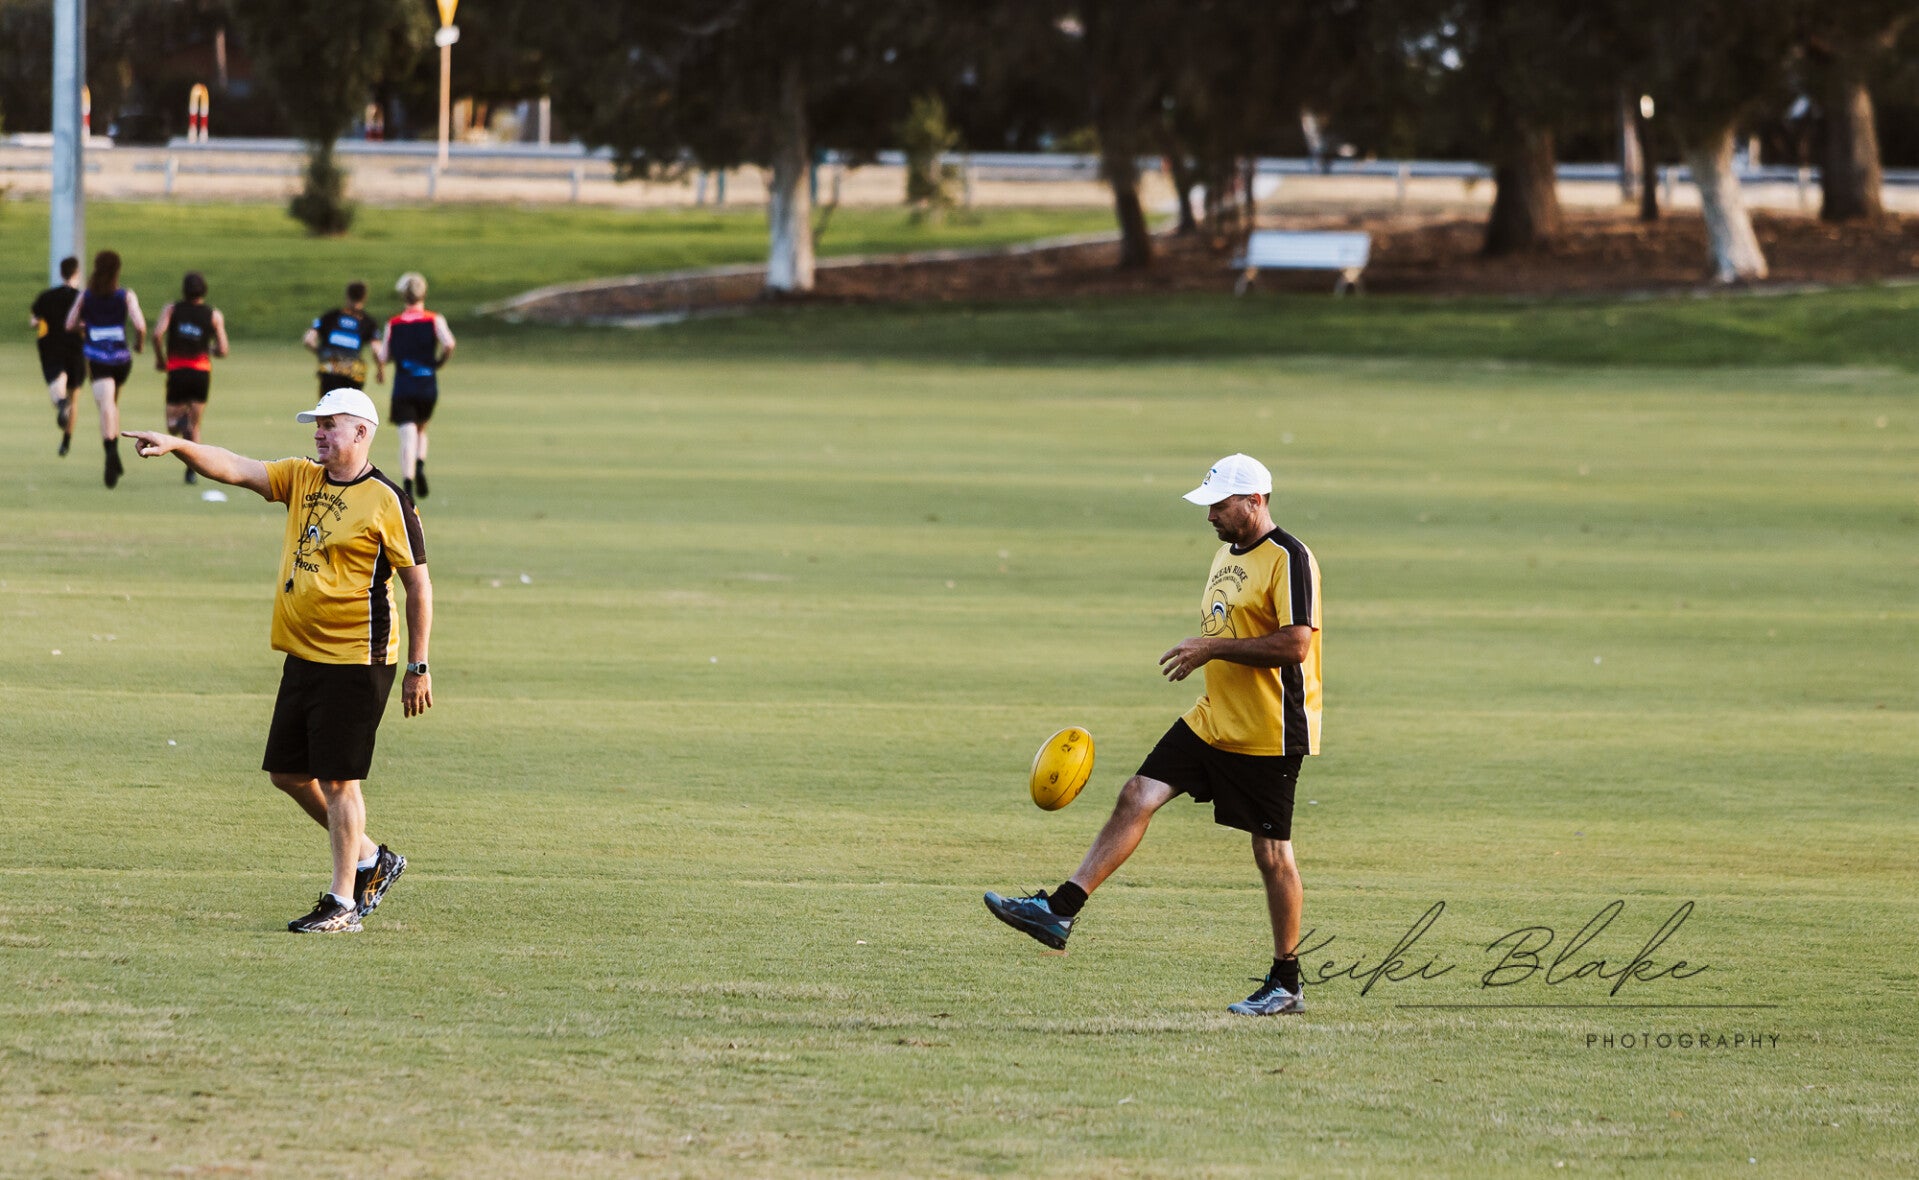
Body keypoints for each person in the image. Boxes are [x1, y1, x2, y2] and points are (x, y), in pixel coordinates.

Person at [984, 453, 1322, 1016]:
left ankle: (1286, 983)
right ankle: (1060, 911)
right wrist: (1208, 652)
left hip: (1269, 730)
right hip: (1214, 716)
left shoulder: (1290, 558)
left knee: (1272, 854)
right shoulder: (1225, 552)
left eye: (1220, 504)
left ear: (1255, 501)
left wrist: (1208, 647)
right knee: (1137, 793)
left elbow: (1295, 645)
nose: (1210, 514)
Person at [122, 387, 433, 934]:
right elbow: (238, 469)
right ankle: (370, 858)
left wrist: (419, 665)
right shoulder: (302, 477)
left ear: (361, 432)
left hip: (357, 659)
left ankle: (343, 904)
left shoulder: (389, 500)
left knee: (339, 781)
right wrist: (178, 444)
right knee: (289, 772)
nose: (317, 433)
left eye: (328, 425)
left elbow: (418, 585)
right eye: (315, 424)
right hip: (304, 653)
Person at [64, 249, 147, 488]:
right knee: (112, 404)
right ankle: (113, 447)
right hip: (122, 359)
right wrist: (138, 345)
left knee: (106, 404)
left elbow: (70, 323)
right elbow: (140, 326)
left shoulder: (86, 296)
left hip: (98, 358)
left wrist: (87, 326)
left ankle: (110, 452)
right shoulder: (125, 295)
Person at [374, 271, 454, 500]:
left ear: (403, 296)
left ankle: (407, 483)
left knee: (406, 435)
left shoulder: (394, 323)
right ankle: (420, 463)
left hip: (404, 385)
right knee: (421, 429)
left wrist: (380, 368)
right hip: (427, 384)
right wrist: (439, 361)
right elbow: (449, 343)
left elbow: (383, 356)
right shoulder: (434, 319)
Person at [151, 271, 230, 484]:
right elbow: (223, 349)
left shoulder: (172, 310)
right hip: (200, 373)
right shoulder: (213, 315)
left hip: (177, 371)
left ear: (184, 290)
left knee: (171, 425)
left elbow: (157, 334)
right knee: (195, 426)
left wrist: (161, 359)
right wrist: (208, 349)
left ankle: (180, 423)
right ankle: (192, 471)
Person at [29, 255, 86, 457]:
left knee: (58, 383)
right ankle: (66, 441)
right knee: (75, 398)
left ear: (61, 273)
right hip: (77, 351)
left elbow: (33, 321)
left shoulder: (46, 297)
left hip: (52, 348)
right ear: (77, 274)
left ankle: (61, 404)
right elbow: (87, 325)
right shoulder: (82, 298)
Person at [304, 280, 383, 397]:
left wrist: (321, 352)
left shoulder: (331, 316)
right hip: (353, 372)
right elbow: (376, 350)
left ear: (347, 295)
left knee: (328, 410)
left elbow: (308, 340)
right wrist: (380, 370)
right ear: (364, 297)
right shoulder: (368, 321)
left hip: (330, 369)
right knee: (350, 410)